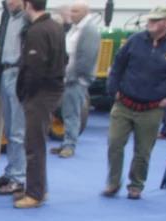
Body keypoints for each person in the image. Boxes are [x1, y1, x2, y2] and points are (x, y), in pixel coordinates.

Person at [103, 6, 166, 198]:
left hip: (152, 108)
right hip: (124, 104)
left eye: (156, 20)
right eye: (150, 19)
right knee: (114, 144)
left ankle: (136, 185)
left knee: (143, 152)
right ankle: (113, 182)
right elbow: (118, 64)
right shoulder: (135, 40)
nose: (151, 22)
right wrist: (113, 89)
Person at [14, 0, 65, 208]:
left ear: (27, 5)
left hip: (40, 94)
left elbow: (35, 68)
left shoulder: (37, 31)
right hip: (52, 89)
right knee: (37, 143)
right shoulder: (55, 27)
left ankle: (34, 194)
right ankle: (39, 188)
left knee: (34, 144)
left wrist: (26, 92)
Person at [0, 0, 28, 196]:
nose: (10, 1)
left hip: (19, 74)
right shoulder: (7, 17)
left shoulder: (28, 20)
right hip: (5, 72)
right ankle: (10, 172)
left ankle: (18, 178)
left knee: (18, 131)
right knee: (10, 128)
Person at [52, 1, 99, 157]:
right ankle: (66, 142)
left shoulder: (89, 30)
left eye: (76, 11)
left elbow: (86, 58)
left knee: (72, 113)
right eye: (71, 11)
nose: (71, 14)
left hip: (75, 80)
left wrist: (76, 77)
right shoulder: (75, 28)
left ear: (85, 12)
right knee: (66, 112)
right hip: (67, 77)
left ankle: (70, 146)